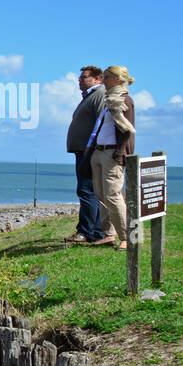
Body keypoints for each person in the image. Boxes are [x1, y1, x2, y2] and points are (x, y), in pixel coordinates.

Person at [85, 65, 137, 250]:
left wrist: (120, 153)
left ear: (117, 79)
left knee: (113, 195)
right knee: (100, 194)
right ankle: (109, 234)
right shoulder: (108, 100)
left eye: (107, 77)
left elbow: (127, 130)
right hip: (99, 151)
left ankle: (127, 237)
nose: (103, 80)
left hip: (112, 153)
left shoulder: (125, 100)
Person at [65, 66, 106, 243]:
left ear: (97, 79)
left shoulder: (99, 95)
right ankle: (92, 230)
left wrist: (92, 150)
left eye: (84, 77)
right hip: (84, 151)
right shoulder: (90, 96)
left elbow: (100, 123)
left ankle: (87, 232)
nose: (80, 80)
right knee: (88, 191)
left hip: (89, 152)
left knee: (87, 190)